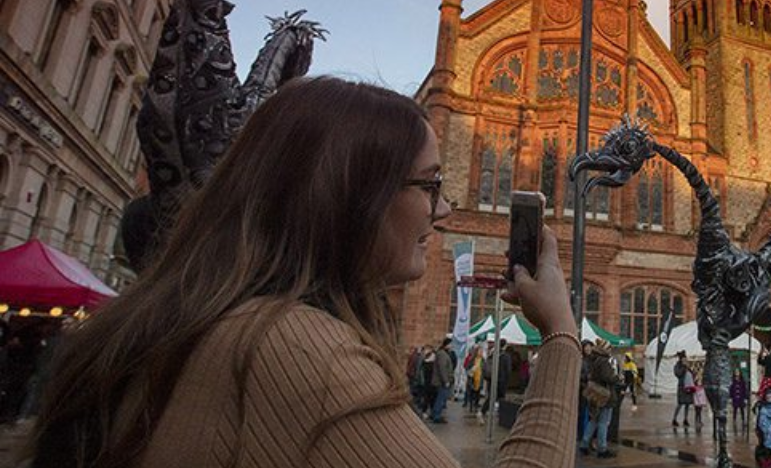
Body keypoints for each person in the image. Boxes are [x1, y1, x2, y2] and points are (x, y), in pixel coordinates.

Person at [26, 77, 582, 468]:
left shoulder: (210, 317)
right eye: (430, 185)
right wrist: (559, 332)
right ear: (351, 195)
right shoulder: (292, 347)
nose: (442, 210)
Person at [580, 340, 620, 458]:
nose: (610, 350)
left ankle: (584, 444)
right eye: (608, 348)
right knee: (603, 422)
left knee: (594, 420)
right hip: (604, 395)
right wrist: (617, 377)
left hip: (594, 394)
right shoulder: (603, 361)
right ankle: (602, 449)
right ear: (604, 349)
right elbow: (608, 377)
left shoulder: (593, 359)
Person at [430, 336, 456, 423]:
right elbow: (442, 368)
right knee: (440, 399)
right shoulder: (442, 354)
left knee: (440, 398)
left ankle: (436, 414)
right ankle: (436, 415)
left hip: (442, 381)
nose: (452, 346)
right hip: (441, 382)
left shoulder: (443, 353)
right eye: (451, 344)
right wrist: (446, 381)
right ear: (447, 345)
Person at [672, 351, 694, 427]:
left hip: (689, 386)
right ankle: (674, 419)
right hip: (682, 387)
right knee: (680, 404)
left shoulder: (688, 365)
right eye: (683, 358)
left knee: (687, 404)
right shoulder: (678, 366)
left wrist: (689, 368)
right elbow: (678, 374)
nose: (685, 359)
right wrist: (684, 367)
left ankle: (686, 419)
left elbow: (692, 374)